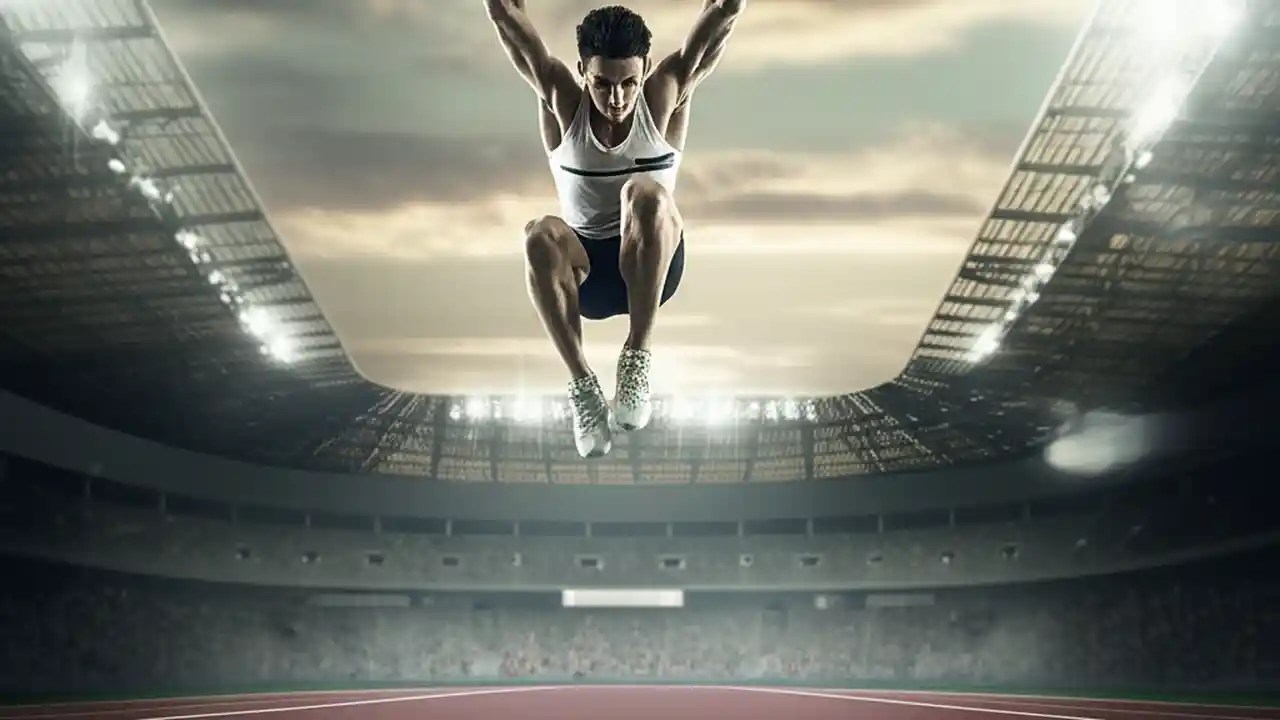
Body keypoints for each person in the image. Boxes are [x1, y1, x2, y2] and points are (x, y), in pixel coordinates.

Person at [484, 1, 745, 458]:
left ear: (645, 70)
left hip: (652, 262)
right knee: (537, 233)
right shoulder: (563, 99)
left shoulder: (664, 94)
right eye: (603, 84)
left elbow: (721, 18)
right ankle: (583, 388)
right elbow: (506, 18)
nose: (617, 98)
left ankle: (637, 358)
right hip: (587, 277)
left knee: (644, 194)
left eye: (629, 83)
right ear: (583, 70)